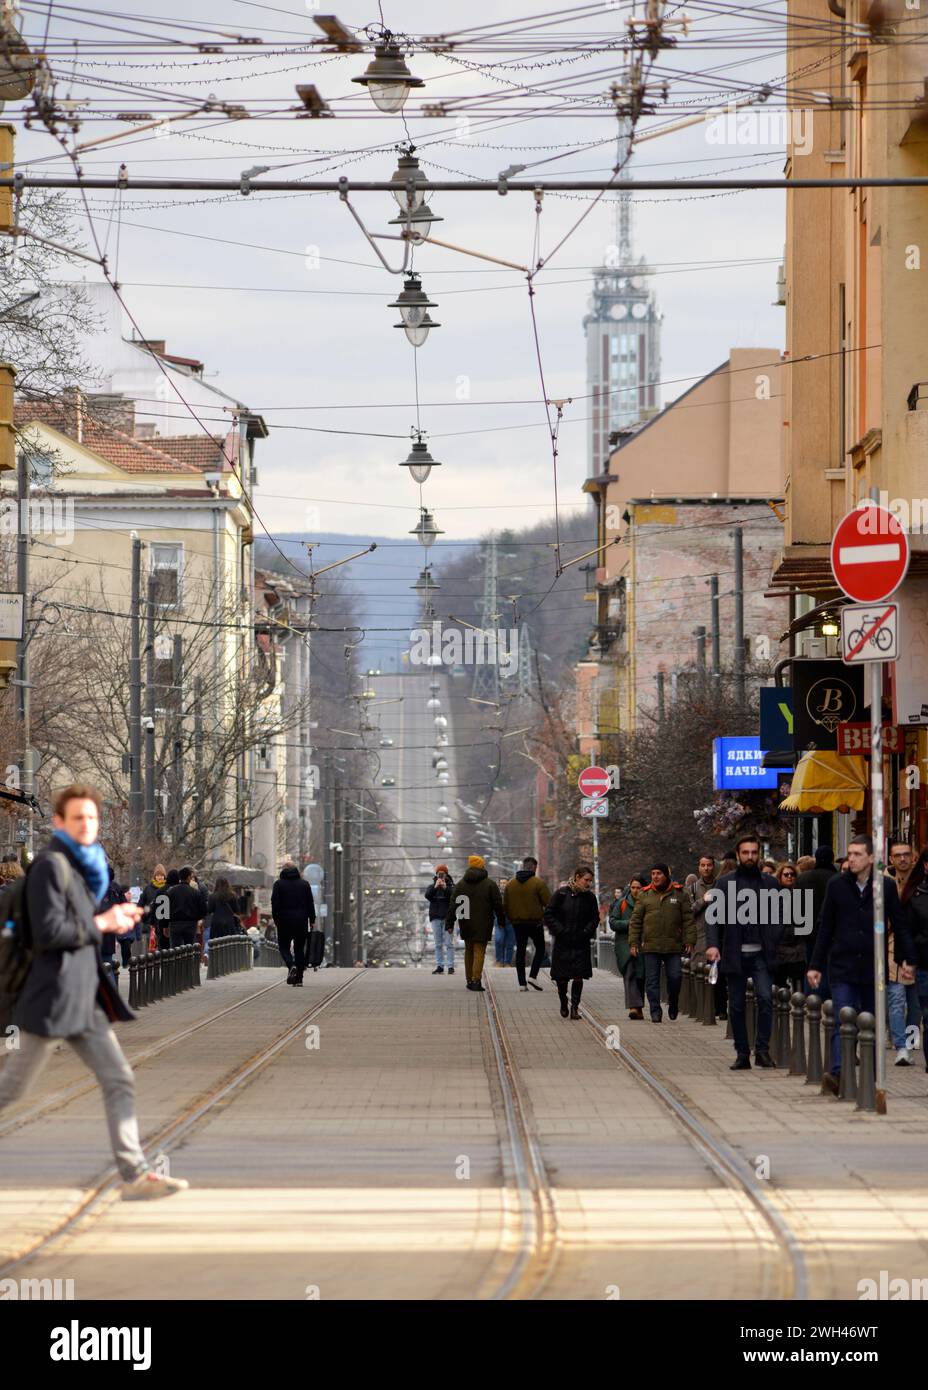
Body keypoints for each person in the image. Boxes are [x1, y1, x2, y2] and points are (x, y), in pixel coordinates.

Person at [0, 784, 188, 1199]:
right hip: (51, 996)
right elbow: (49, 932)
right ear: (59, 823)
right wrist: (104, 924)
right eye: (78, 818)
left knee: (119, 1078)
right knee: (11, 1088)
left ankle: (135, 1174)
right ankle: (135, 1173)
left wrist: (112, 918)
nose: (87, 825)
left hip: (81, 997)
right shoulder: (52, 867)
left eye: (92, 818)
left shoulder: (84, 868)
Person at [807, 834, 915, 1093]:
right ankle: (838, 1073)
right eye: (850, 854)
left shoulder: (885, 887)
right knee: (844, 1018)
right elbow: (825, 928)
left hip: (873, 966)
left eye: (857, 854)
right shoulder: (836, 885)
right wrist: (815, 965)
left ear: (870, 858)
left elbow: (900, 926)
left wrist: (906, 959)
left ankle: (872, 1076)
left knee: (873, 1020)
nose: (851, 859)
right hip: (843, 965)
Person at [706, 834, 783, 1070]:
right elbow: (714, 919)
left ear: (759, 854)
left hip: (762, 954)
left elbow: (781, 915)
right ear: (738, 855)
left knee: (766, 999)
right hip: (734, 952)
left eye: (754, 852)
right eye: (746, 853)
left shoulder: (770, 883)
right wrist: (713, 944)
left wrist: (774, 936)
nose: (750, 857)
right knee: (736, 1005)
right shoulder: (725, 884)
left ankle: (762, 1050)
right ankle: (742, 1053)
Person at [629, 863, 695, 1023]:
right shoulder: (644, 895)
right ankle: (655, 1011)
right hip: (651, 946)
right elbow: (636, 920)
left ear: (666, 875)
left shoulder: (680, 893)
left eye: (659, 873)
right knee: (652, 981)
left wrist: (690, 940)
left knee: (675, 977)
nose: (655, 876)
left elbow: (688, 919)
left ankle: (673, 1004)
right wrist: (634, 943)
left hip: (673, 946)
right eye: (653, 873)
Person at [444, 854, 504, 992]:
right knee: (479, 952)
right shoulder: (490, 884)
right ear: (481, 866)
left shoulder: (460, 884)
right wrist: (501, 920)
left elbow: (453, 905)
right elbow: (498, 904)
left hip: (466, 922)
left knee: (468, 951)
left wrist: (449, 923)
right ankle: (476, 980)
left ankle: (469, 980)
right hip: (483, 923)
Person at [545, 865, 598, 1018]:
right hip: (563, 942)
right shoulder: (561, 894)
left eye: (590, 881)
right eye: (586, 880)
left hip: (581, 942)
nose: (588, 883)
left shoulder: (590, 898)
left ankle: (575, 1007)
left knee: (578, 976)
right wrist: (560, 930)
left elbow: (594, 918)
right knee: (561, 978)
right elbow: (549, 914)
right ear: (577, 877)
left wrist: (586, 932)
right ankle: (563, 1003)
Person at [795, 845, 838, 1000]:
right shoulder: (836, 879)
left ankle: (812, 997)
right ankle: (828, 997)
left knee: (812, 964)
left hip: (809, 930)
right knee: (830, 966)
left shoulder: (803, 878)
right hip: (832, 931)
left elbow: (796, 906)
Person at [503, 856, 551, 993]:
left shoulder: (510, 884)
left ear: (523, 867)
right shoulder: (538, 883)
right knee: (540, 948)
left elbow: (505, 905)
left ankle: (522, 983)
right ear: (534, 867)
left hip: (517, 923)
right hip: (535, 922)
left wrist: (510, 919)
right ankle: (533, 976)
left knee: (520, 951)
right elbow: (549, 902)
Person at [689, 854, 726, 1019]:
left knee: (719, 974)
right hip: (700, 936)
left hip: (719, 935)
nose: (706, 868)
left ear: (714, 866)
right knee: (701, 972)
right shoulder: (693, 888)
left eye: (709, 865)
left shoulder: (722, 885)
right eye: (703, 865)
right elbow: (688, 912)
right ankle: (704, 1008)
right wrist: (703, 901)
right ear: (699, 867)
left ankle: (720, 1009)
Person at [901, 847, 928, 1072]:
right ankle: (906, 1047)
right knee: (908, 1006)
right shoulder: (916, 895)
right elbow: (906, 930)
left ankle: (907, 1045)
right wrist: (906, 960)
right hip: (922, 963)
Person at [271, 860, 316, 986]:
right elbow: (310, 904)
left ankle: (291, 965)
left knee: (284, 946)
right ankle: (299, 979)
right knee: (299, 949)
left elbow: (275, 904)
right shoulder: (304, 884)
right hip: (301, 921)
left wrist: (276, 920)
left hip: (284, 921)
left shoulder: (278, 885)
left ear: (283, 871)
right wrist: (312, 920)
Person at [610, 876, 645, 1018]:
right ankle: (633, 1007)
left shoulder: (647, 902)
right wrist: (627, 924)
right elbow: (612, 922)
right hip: (625, 944)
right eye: (633, 888)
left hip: (643, 943)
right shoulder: (622, 903)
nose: (635, 891)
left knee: (641, 975)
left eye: (638, 888)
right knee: (630, 973)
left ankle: (639, 1007)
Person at [773, 861, 806, 994]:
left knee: (798, 983)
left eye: (792, 874)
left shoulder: (801, 895)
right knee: (780, 985)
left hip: (797, 946)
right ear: (780, 877)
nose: (789, 877)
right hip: (779, 947)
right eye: (786, 874)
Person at [424, 864, 454, 976]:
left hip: (448, 918)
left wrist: (446, 887)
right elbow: (427, 896)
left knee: (449, 943)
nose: (441, 876)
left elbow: (454, 897)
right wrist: (436, 886)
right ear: (436, 875)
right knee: (438, 944)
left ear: (446, 875)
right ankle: (440, 966)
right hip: (435, 917)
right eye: (439, 874)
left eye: (443, 874)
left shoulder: (451, 885)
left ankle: (450, 966)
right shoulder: (432, 886)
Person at [167, 867, 207, 950]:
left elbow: (165, 909)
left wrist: (165, 923)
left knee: (175, 950)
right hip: (190, 924)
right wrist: (197, 918)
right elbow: (203, 910)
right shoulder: (195, 893)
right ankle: (188, 963)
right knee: (189, 949)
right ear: (189, 877)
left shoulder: (171, 892)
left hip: (175, 924)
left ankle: (177, 963)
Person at [204, 876, 242, 963]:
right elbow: (237, 910)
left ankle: (217, 962)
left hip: (216, 923)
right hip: (229, 923)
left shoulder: (212, 896)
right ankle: (227, 962)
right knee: (229, 944)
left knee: (216, 944)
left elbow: (209, 910)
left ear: (216, 885)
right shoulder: (232, 895)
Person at [138, 863, 169, 952]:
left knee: (163, 947)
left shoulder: (167, 888)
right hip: (150, 924)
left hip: (164, 923)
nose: (160, 877)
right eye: (158, 875)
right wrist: (144, 916)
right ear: (154, 876)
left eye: (162, 875)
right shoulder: (148, 889)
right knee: (151, 948)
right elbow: (141, 904)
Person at [494, 880, 516, 968]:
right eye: (501, 883)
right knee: (499, 940)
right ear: (499, 885)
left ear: (508, 884)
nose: (503, 885)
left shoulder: (513, 894)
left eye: (504, 883)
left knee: (510, 943)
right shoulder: (496, 894)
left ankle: (507, 962)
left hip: (511, 921)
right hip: (499, 921)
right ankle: (499, 961)